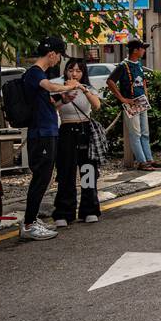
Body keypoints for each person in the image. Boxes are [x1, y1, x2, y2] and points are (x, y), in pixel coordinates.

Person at [22, 36, 80, 240]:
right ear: (52, 54)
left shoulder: (40, 75)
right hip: (41, 134)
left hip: (48, 131)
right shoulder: (34, 73)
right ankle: (28, 225)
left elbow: (49, 104)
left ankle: (32, 219)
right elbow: (51, 87)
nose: (58, 61)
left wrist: (63, 99)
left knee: (44, 178)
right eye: (59, 56)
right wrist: (69, 86)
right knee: (41, 178)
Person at [52, 58, 101, 227]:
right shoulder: (57, 87)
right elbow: (52, 108)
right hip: (66, 130)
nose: (74, 74)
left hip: (85, 131)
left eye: (78, 71)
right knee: (66, 173)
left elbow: (97, 105)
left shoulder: (88, 87)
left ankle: (90, 209)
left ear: (83, 73)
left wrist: (83, 89)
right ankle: (64, 212)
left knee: (88, 171)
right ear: (65, 71)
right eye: (71, 70)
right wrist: (63, 96)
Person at [108, 40, 157, 170]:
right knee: (136, 134)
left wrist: (145, 94)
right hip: (130, 103)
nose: (144, 50)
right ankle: (142, 162)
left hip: (141, 102)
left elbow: (144, 81)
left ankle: (149, 159)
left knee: (145, 132)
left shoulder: (139, 64)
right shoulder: (123, 65)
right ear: (135, 50)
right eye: (142, 48)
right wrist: (123, 99)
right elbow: (110, 81)